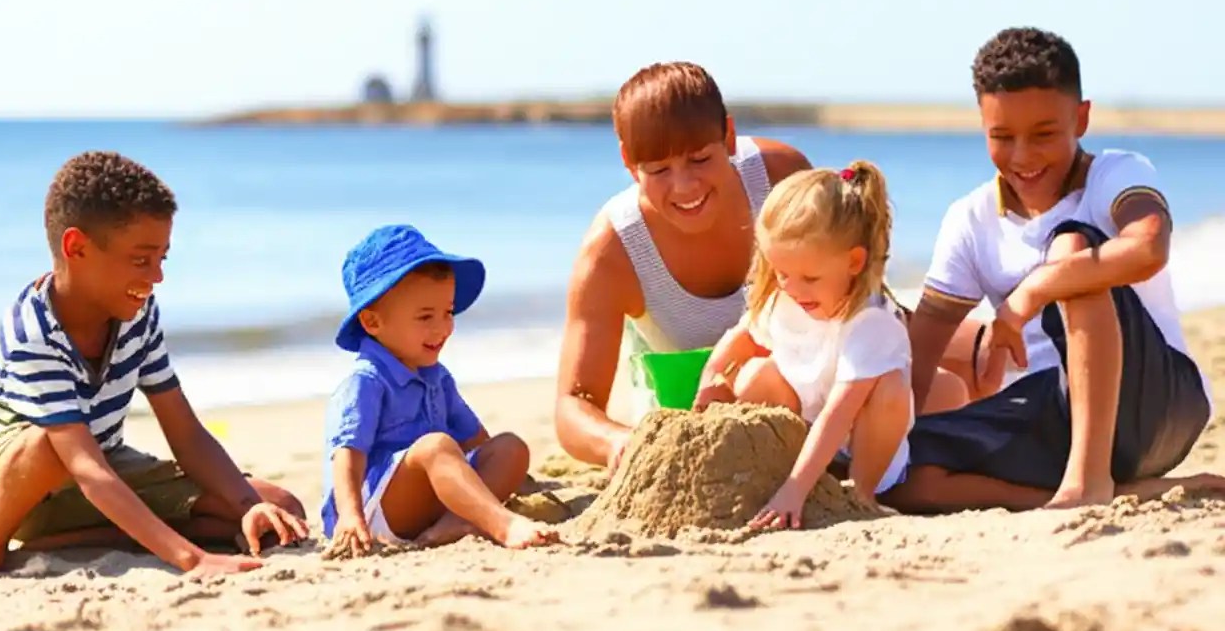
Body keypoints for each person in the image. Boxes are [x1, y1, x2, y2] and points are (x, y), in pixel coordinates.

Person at [892, 27, 1224, 513]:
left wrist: (1034, 291)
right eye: (1002, 137)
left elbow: (1149, 247)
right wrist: (898, 435)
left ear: (1081, 118)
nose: (1023, 156)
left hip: (1157, 405)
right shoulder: (971, 218)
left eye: (1044, 134)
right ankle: (1111, 492)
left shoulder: (1115, 174)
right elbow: (923, 347)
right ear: (982, 125)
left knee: (1070, 248)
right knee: (903, 475)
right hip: (1047, 413)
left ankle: (1089, 480)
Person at [0, 151, 308, 577]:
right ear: (76, 247)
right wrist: (194, 559)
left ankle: (69, 540)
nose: (156, 277)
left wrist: (248, 505)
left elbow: (185, 433)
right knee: (47, 448)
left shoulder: (138, 313)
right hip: (2, 490)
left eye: (162, 259)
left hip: (99, 470)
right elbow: (85, 467)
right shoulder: (34, 333)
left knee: (280, 510)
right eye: (141, 259)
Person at [554, 61, 813, 474]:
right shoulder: (613, 252)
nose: (685, 187)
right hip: (693, 440)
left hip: (807, 404)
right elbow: (572, 406)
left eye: (700, 159)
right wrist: (621, 444)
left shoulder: (780, 179)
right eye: (657, 170)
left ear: (728, 136)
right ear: (628, 161)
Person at [695, 161, 965, 528]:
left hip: (861, 444)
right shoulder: (788, 295)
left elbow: (840, 413)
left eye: (809, 277)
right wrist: (710, 383)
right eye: (781, 272)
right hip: (804, 430)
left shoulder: (871, 322)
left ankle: (860, 497)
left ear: (854, 262)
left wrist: (796, 487)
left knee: (890, 388)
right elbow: (739, 339)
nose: (791, 287)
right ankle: (783, 473)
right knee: (753, 375)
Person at [320, 224, 559, 556]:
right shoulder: (367, 381)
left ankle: (454, 524)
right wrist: (349, 514)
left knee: (509, 448)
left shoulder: (437, 377)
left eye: (447, 312)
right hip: (377, 511)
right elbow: (347, 454)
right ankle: (501, 523)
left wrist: (509, 475)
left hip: (435, 498)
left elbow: (476, 439)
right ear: (373, 322)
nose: (442, 327)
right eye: (425, 316)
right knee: (436, 446)